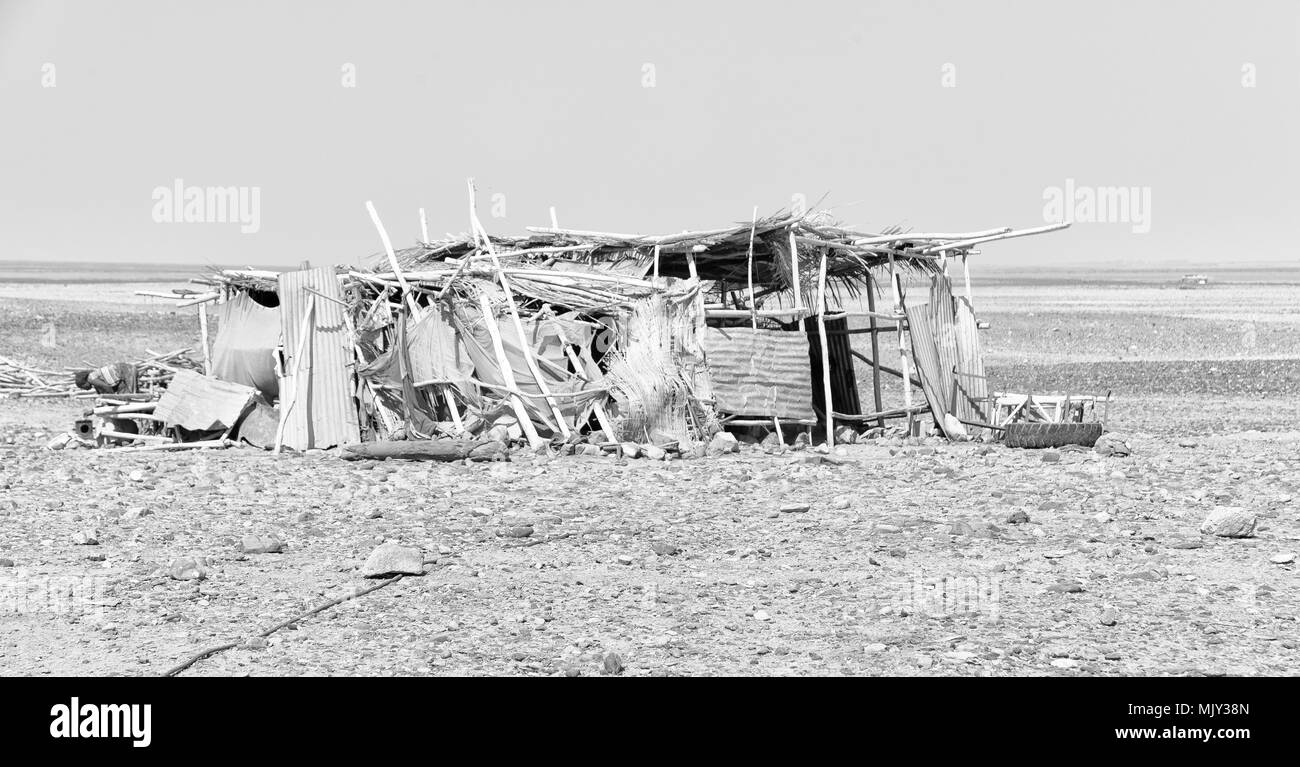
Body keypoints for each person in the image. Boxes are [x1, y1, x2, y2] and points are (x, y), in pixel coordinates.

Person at [73, 362, 138, 395]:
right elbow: (102, 395)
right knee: (125, 396)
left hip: (127, 370)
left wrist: (114, 398)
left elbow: (107, 387)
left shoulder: (91, 378)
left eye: (83, 387)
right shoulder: (94, 381)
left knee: (131, 395)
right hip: (124, 375)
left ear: (84, 382)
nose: (86, 390)